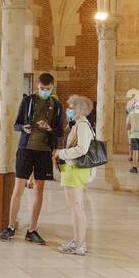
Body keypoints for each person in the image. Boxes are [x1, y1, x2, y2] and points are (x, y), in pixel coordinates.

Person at [0, 72, 63, 245]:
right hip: (25, 149)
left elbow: (59, 132)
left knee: (39, 190)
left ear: (52, 87)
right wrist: (24, 127)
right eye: (42, 89)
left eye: (48, 89)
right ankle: (10, 226)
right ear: (37, 86)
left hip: (44, 152)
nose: (44, 91)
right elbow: (16, 124)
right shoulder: (28, 101)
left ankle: (32, 229)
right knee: (18, 189)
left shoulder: (56, 105)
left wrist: (49, 128)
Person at [54, 94, 96, 255]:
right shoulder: (79, 124)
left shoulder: (83, 125)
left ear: (78, 109)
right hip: (74, 170)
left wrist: (61, 153)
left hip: (75, 170)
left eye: (71, 107)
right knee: (76, 208)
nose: (68, 110)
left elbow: (82, 149)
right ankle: (78, 241)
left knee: (76, 208)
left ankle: (79, 244)